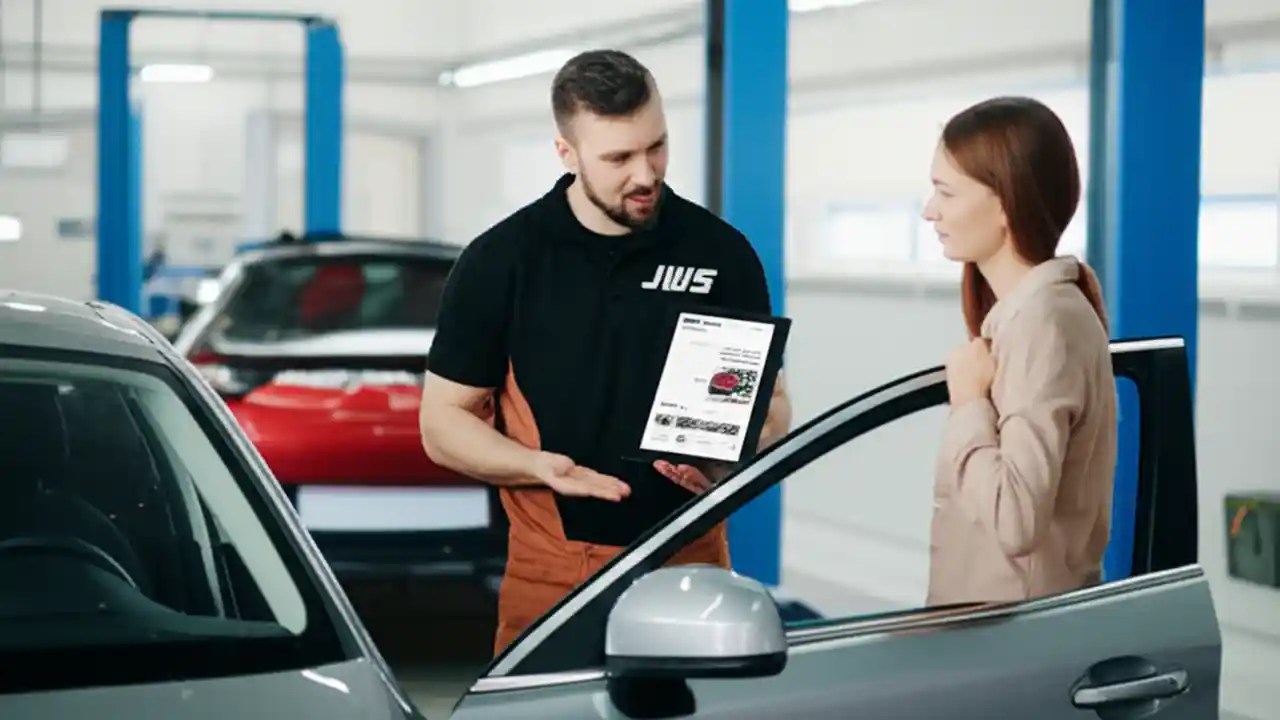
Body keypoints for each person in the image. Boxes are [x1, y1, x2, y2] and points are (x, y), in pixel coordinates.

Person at [417, 49, 792, 655]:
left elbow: (770, 403)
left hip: (690, 562)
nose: (645, 174)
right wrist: (536, 467)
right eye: (618, 158)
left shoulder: (722, 254)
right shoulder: (503, 261)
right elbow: (442, 423)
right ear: (567, 154)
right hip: (554, 573)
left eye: (657, 146)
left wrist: (731, 462)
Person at [920, 96, 1117, 606]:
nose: (929, 211)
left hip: (1009, 637)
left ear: (1005, 203)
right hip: (996, 636)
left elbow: (1016, 517)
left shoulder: (1043, 326)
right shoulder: (1036, 314)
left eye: (945, 192)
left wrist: (969, 405)